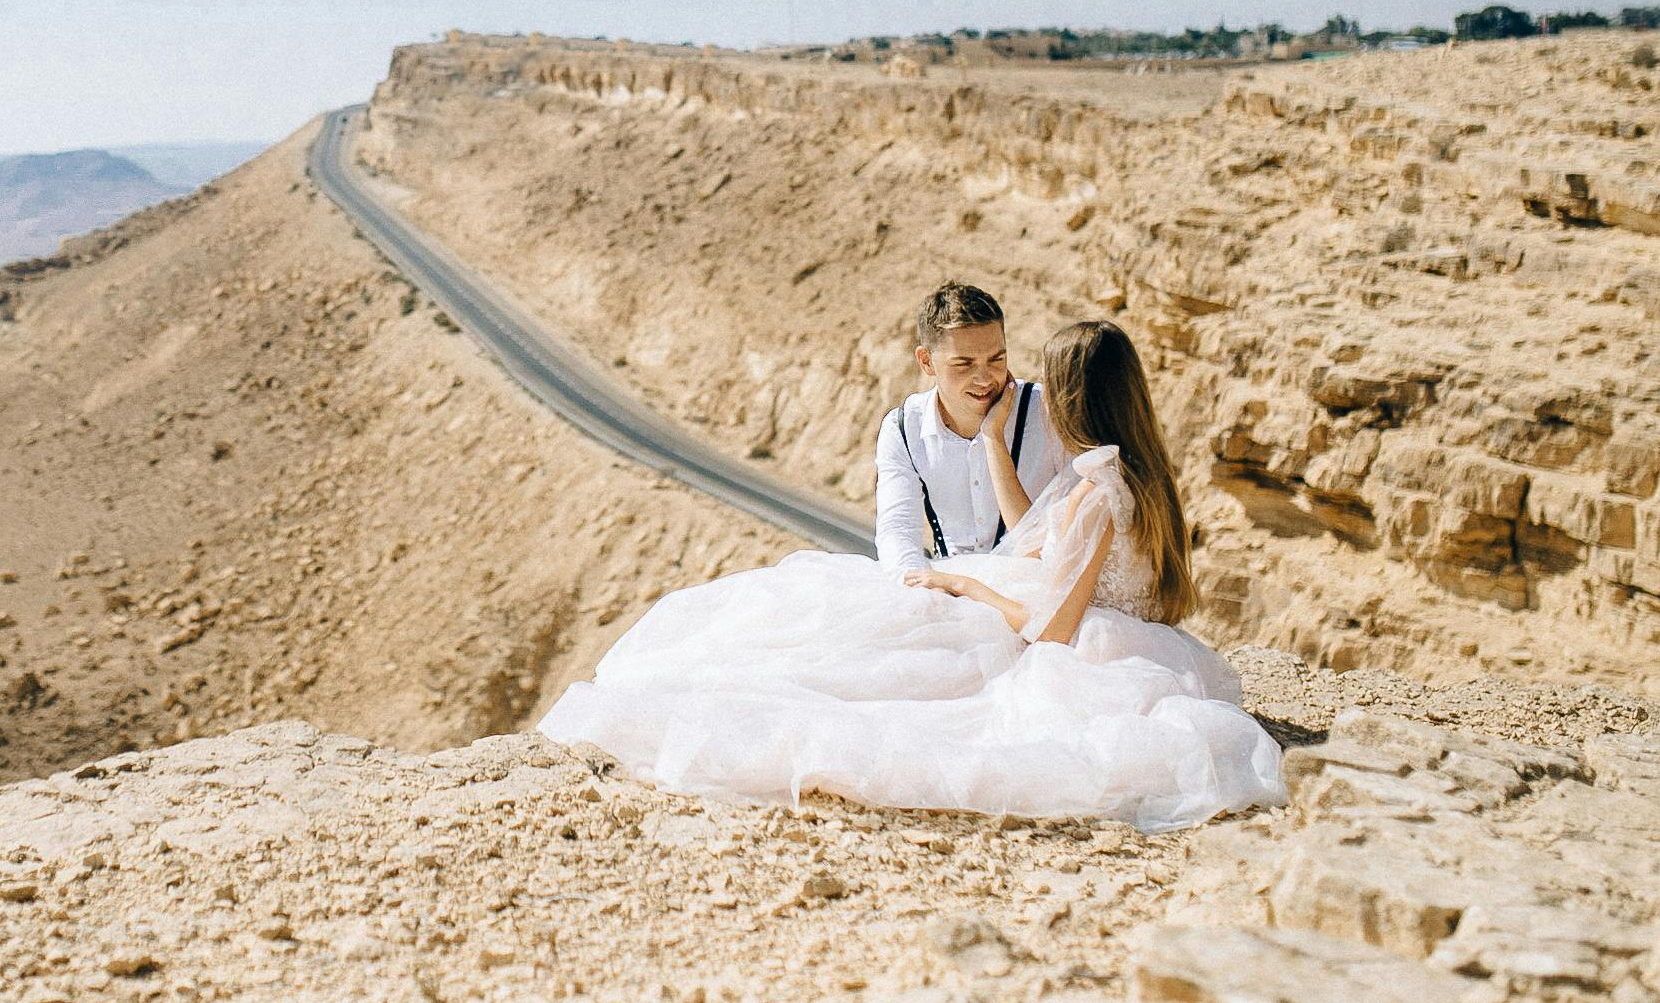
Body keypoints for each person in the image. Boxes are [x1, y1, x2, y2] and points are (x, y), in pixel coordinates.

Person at [537, 320, 1284, 832]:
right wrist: (995, 443)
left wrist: (971, 587)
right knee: (890, 626)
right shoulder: (1128, 475)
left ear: (1071, 398)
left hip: (1076, 644)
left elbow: (1053, 628)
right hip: (1102, 624)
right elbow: (1037, 539)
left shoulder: (1096, 490)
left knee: (892, 669)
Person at [875, 282, 1074, 573]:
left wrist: (993, 436)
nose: (984, 379)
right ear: (926, 362)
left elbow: (1077, 528)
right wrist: (918, 588)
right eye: (964, 364)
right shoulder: (903, 428)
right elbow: (897, 531)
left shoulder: (1048, 413)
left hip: (1034, 583)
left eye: (996, 359)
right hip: (947, 586)